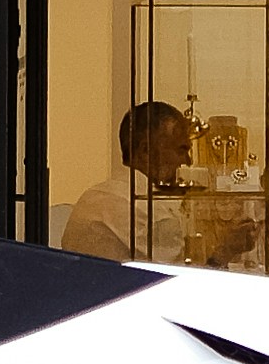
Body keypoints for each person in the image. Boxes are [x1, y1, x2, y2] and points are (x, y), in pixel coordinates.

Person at [62, 101, 196, 261]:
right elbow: (176, 278)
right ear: (146, 151)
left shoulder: (94, 195)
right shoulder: (151, 214)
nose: (188, 161)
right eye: (181, 150)